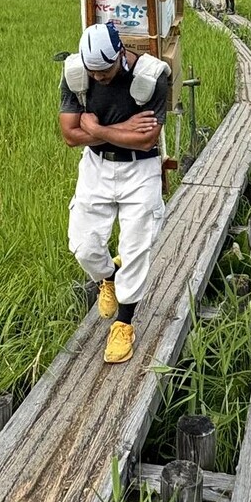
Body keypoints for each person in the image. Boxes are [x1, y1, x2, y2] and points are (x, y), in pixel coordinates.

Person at [59, 23, 171, 363]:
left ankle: (124, 323)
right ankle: (108, 276)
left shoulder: (151, 77)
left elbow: (147, 139)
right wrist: (117, 131)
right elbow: (70, 135)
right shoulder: (77, 74)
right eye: (93, 72)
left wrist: (94, 128)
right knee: (83, 246)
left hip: (140, 169)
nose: (99, 78)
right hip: (96, 167)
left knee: (136, 247)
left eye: (105, 71)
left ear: (120, 53)